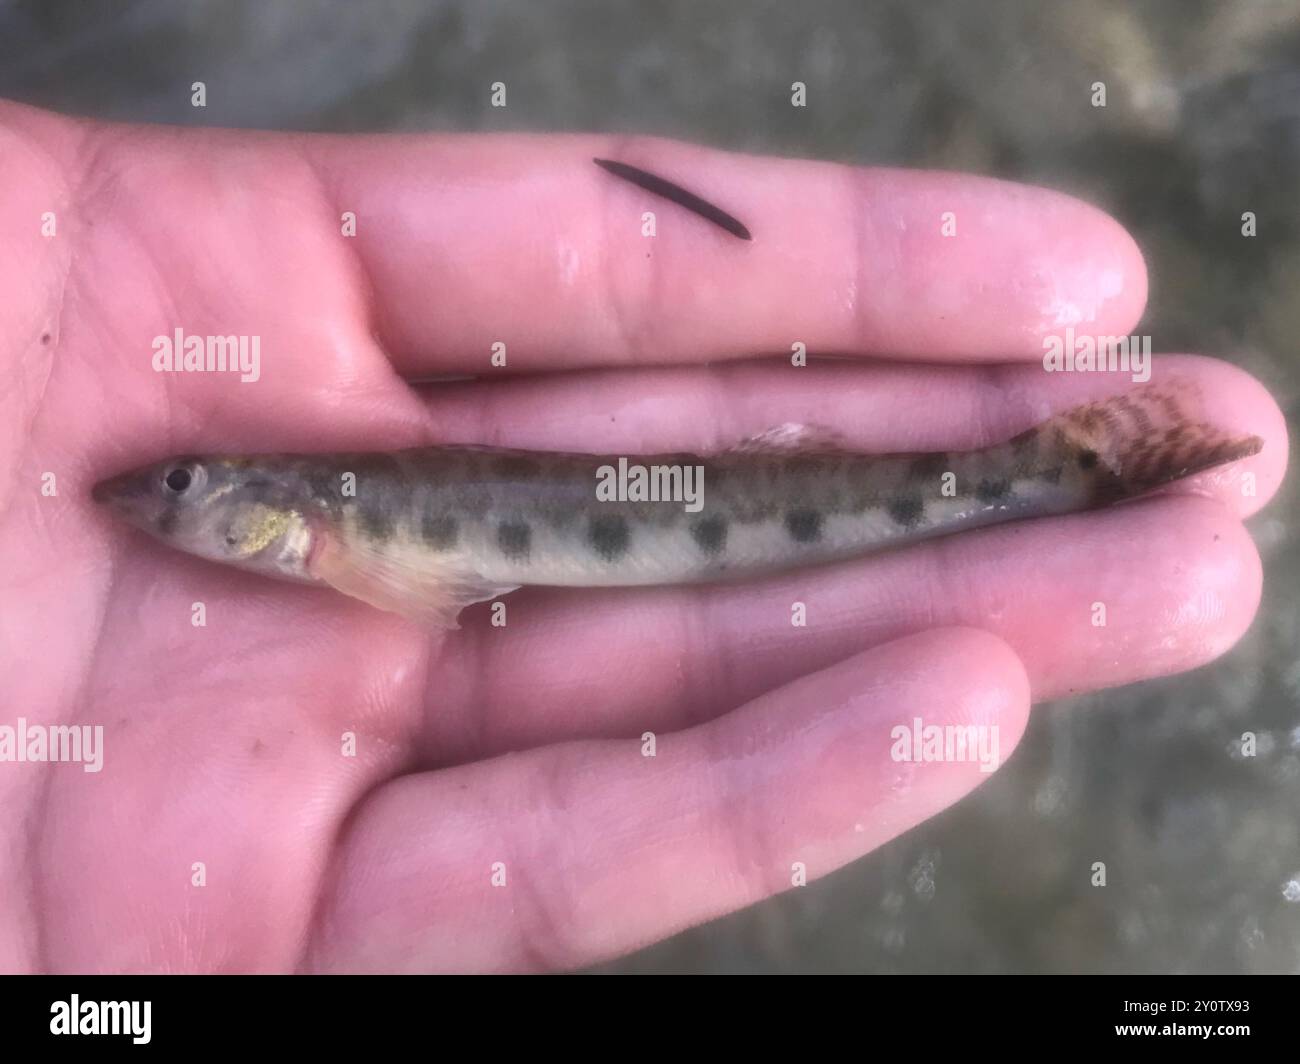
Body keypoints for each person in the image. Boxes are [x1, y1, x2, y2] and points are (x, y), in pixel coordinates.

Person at [0, 100, 1285, 973]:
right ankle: (1043, 475)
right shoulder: (296, 512)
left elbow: (408, 584)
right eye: (176, 487)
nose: (151, 505)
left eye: (183, 486)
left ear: (272, 508)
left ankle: (1048, 474)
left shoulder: (319, 524)